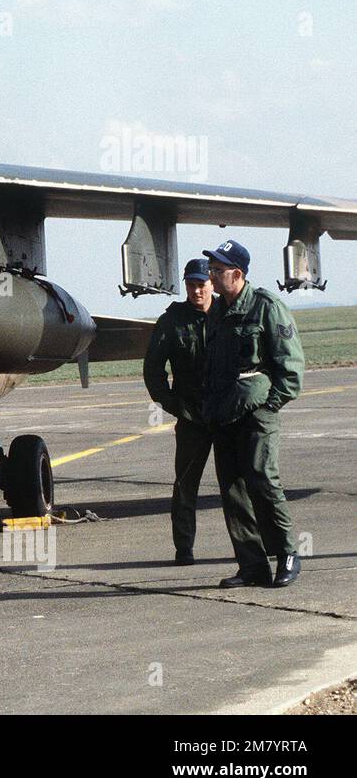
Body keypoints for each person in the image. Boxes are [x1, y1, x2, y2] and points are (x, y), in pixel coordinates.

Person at [201, 240, 304, 589]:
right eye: (211, 269)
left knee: (262, 480)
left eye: (218, 270)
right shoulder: (216, 311)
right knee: (232, 491)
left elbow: (291, 368)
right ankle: (252, 565)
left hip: (257, 413)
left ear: (238, 273)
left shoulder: (266, 306)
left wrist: (270, 405)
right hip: (223, 415)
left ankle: (287, 553)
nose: (212, 276)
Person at [143, 259, 215, 566]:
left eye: (202, 284)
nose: (197, 291)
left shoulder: (229, 315)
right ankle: (184, 548)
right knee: (185, 486)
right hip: (192, 418)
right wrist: (176, 407)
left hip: (229, 416)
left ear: (212, 284)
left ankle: (251, 550)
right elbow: (153, 371)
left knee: (241, 486)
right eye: (191, 285)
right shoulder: (172, 321)